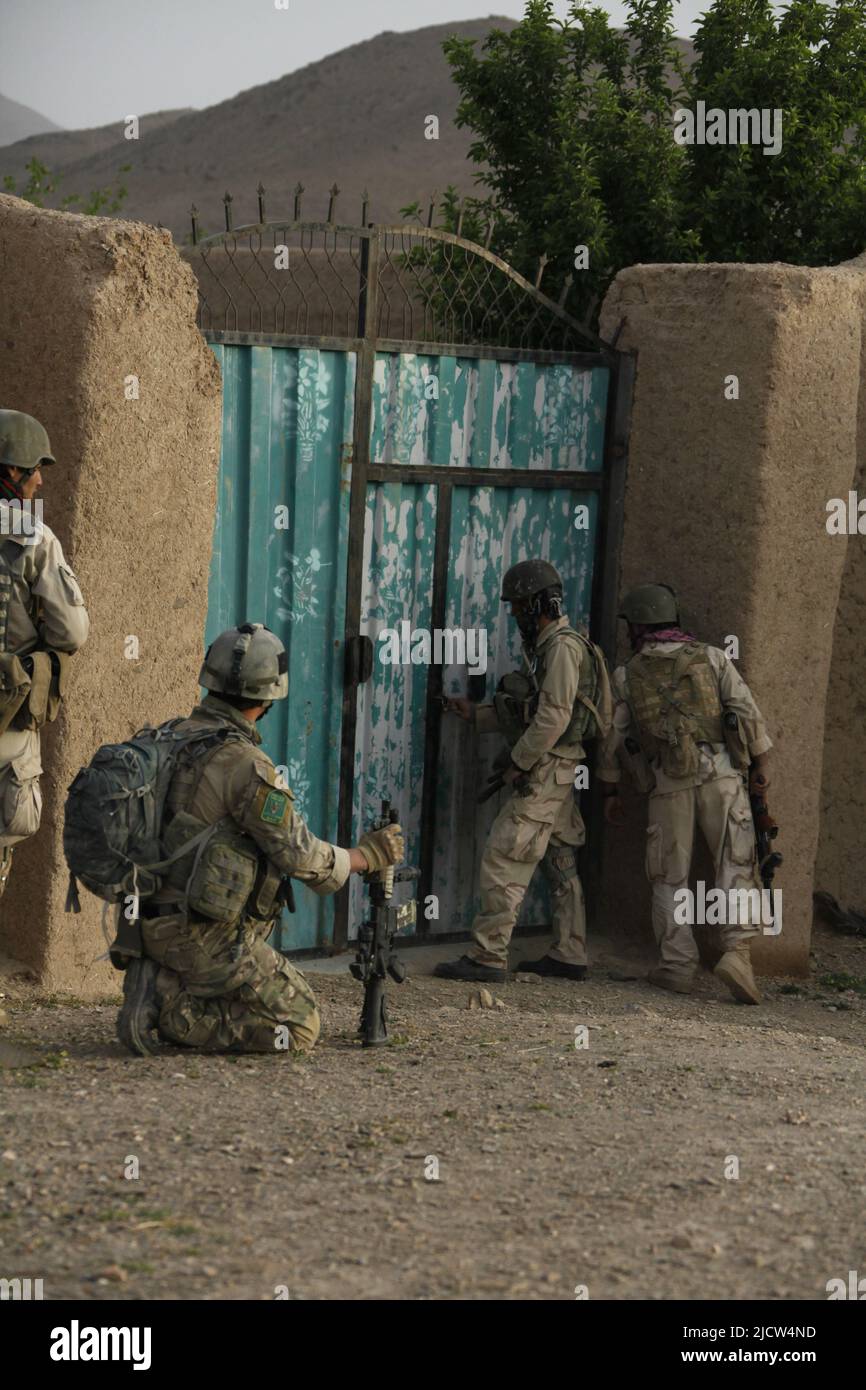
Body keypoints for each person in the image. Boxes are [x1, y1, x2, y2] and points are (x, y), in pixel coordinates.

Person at [114, 623, 404, 1055]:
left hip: (143, 926)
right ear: (269, 697)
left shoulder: (166, 739)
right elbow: (301, 857)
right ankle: (168, 1007)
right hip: (202, 939)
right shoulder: (246, 766)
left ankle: (164, 978)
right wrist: (366, 856)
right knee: (299, 1027)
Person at [434, 560, 611, 984]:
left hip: (547, 771)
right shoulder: (550, 647)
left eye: (518, 607)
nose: (514, 616)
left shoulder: (563, 648)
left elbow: (552, 717)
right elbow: (532, 709)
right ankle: (570, 952)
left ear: (538, 605)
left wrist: (518, 762)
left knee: (505, 855)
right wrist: (477, 714)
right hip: (559, 770)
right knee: (560, 858)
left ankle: (487, 956)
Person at [598, 583, 772, 1004]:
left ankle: (676, 964)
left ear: (639, 626)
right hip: (723, 776)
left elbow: (610, 738)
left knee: (668, 874)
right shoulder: (712, 657)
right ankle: (737, 954)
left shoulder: (626, 675)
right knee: (735, 863)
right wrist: (761, 769)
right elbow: (747, 713)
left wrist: (610, 791)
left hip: (668, 784)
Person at [0, 409, 89, 901]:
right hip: (6, 726)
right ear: (9, 471)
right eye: (33, 468)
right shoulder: (32, 537)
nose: (38, 480)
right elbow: (72, 632)